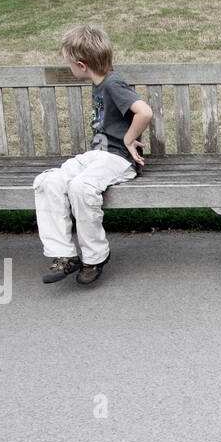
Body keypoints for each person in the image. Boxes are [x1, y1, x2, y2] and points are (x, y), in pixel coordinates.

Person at [33, 25, 153, 285]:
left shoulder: (112, 84)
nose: (69, 68)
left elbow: (144, 112)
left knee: (80, 187)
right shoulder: (100, 82)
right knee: (48, 182)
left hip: (118, 158)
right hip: (96, 155)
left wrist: (128, 139)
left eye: (69, 64)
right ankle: (63, 255)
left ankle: (95, 257)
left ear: (81, 64)